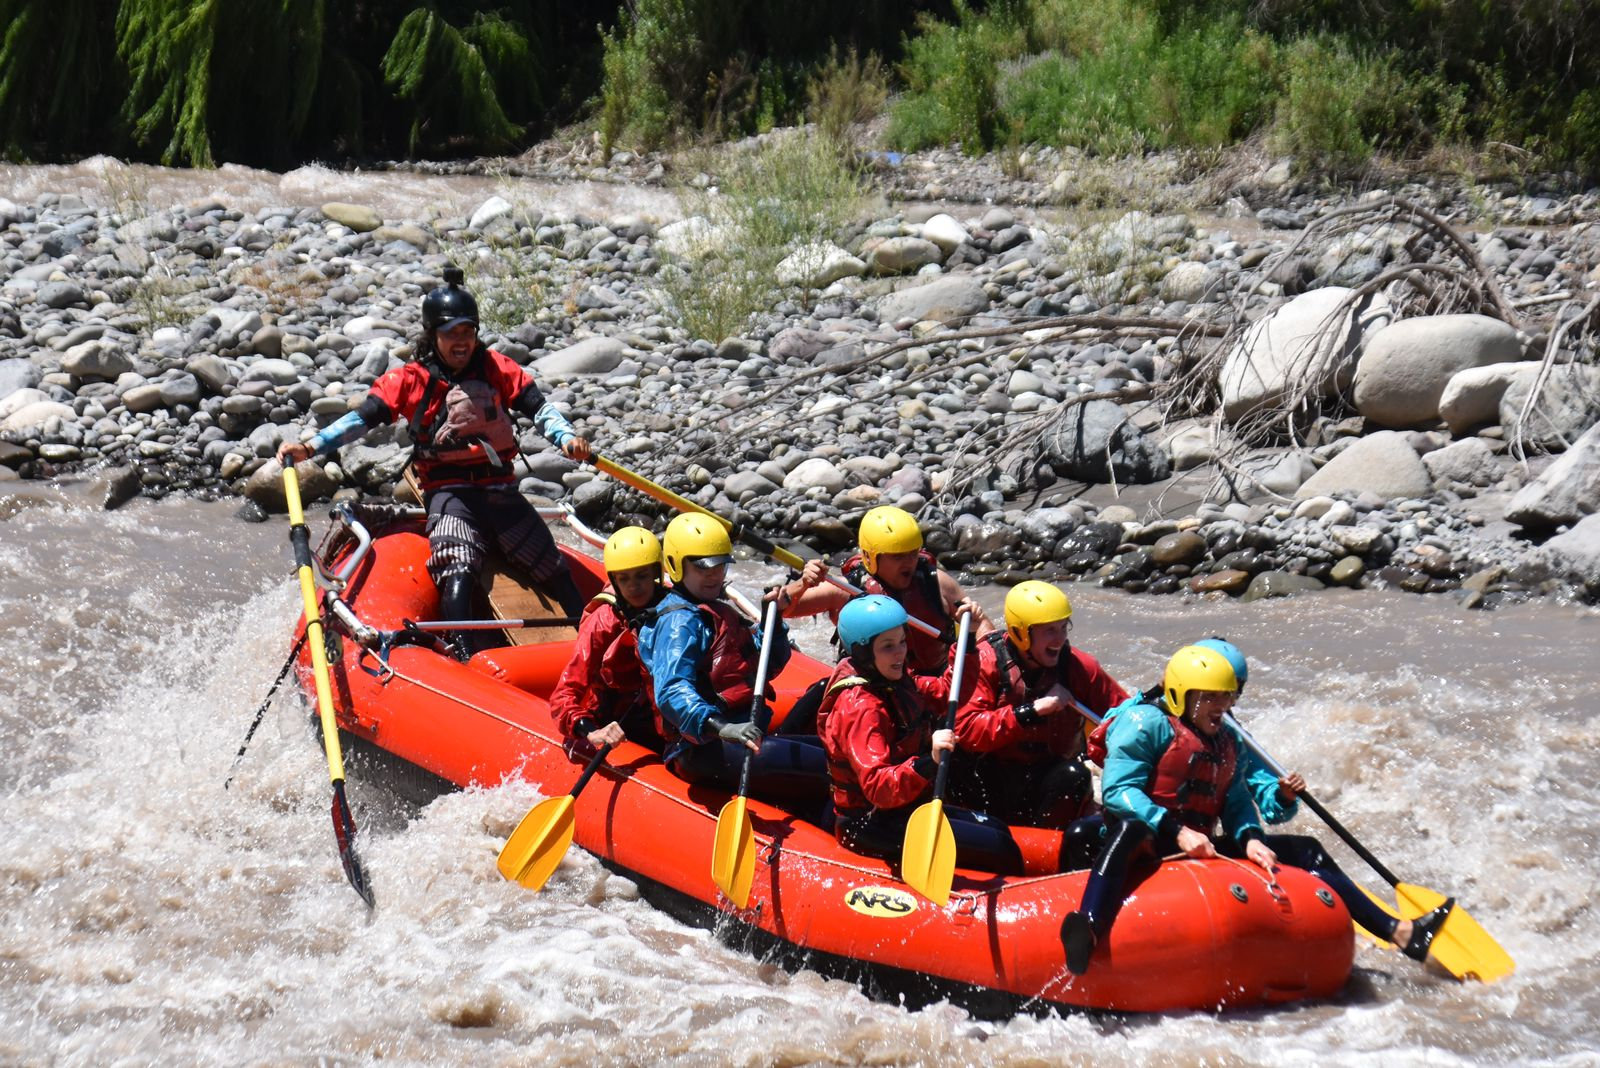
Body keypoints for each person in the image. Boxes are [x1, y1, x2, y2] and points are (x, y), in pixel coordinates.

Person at [1058, 644, 1455, 976]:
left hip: (1198, 850)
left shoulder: (1227, 742)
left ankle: (1402, 932)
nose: (1221, 706)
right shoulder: (1146, 723)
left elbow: (1235, 804)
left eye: (1227, 697)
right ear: (1182, 695)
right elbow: (1117, 792)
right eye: (1210, 697)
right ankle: (1089, 928)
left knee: (1308, 850)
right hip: (1145, 842)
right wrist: (1176, 830)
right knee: (1130, 829)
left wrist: (1250, 838)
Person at [277, 266, 590, 657]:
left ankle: (593, 644)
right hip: (450, 491)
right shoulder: (411, 380)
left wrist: (565, 438)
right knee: (457, 569)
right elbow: (363, 418)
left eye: (467, 333)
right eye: (450, 334)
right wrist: (311, 447)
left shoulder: (497, 369)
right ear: (433, 336)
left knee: (553, 568)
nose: (461, 342)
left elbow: (539, 409)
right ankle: (460, 653)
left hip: (500, 490)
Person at [815, 595, 1022, 874]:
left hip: (905, 810)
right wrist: (929, 760)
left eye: (901, 642)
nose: (900, 652)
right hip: (869, 823)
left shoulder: (897, 681)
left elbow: (950, 692)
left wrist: (968, 638)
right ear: (863, 653)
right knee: (998, 847)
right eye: (888, 647)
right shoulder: (861, 707)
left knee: (997, 829)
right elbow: (878, 788)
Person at [635, 513, 829, 810]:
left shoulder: (713, 609)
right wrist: (719, 726)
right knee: (836, 769)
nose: (714, 574)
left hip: (740, 734)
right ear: (675, 564)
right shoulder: (679, 622)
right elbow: (672, 690)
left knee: (837, 754)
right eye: (702, 567)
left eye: (720, 564)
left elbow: (766, 667)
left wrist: (771, 620)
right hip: (702, 749)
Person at [951, 581, 1128, 829]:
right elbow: (967, 730)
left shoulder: (1077, 666)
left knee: (1075, 776)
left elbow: (1124, 715)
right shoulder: (986, 661)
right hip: (991, 778)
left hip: (1047, 777)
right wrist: (1032, 711)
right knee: (954, 763)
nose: (1059, 639)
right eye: (1049, 631)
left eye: (1063, 628)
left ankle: (1053, 847)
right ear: (1021, 633)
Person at [779, 505, 994, 677]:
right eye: (897, 556)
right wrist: (803, 584)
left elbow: (982, 625)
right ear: (871, 557)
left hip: (937, 686)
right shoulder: (847, 590)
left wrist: (988, 649)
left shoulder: (936, 582)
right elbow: (782, 609)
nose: (909, 562)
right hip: (875, 691)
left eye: (913, 553)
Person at [549, 526, 667, 754]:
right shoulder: (603, 621)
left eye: (642, 575)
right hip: (615, 716)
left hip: (661, 711)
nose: (634, 586)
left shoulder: (673, 610)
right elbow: (564, 695)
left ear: (656, 574)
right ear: (614, 579)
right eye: (624, 578)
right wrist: (590, 730)